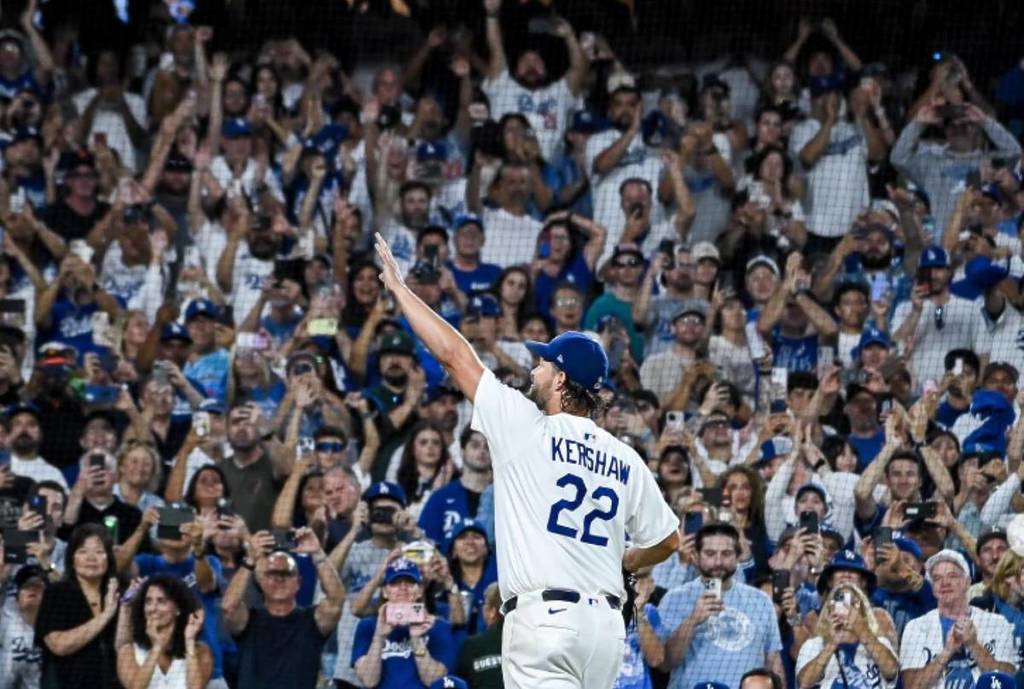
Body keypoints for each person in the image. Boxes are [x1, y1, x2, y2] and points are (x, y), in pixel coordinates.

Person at [374, 233, 680, 689]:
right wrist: (625, 562)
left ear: (560, 378)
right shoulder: (625, 457)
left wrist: (402, 292)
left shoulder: (526, 425)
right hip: (605, 633)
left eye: (542, 364)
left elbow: (456, 356)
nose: (532, 369)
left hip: (545, 623)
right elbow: (670, 540)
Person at [657, 523, 784, 689]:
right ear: (695, 556)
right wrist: (693, 619)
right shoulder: (675, 599)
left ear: (738, 556)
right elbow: (665, 663)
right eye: (710, 554)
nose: (718, 561)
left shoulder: (760, 601)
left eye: (726, 554)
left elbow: (773, 663)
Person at [220, 527, 345, 689]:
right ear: (261, 580)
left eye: (287, 573)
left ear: (299, 582)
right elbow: (228, 607)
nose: (279, 579)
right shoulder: (248, 619)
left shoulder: (312, 620)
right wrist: (249, 560)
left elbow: (337, 601)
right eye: (272, 573)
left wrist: (319, 554)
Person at [900, 549, 1016, 689]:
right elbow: (911, 686)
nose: (944, 583)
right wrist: (948, 650)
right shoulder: (916, 628)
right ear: (932, 588)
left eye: (952, 576)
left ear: (967, 582)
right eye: (937, 578)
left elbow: (1007, 681)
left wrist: (973, 645)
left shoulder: (996, 624)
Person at [34, 524, 122, 689]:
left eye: (99, 552)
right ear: (72, 559)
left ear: (109, 558)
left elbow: (126, 646)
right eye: (82, 551)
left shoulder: (118, 592)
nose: (91, 558)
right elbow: (59, 645)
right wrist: (106, 615)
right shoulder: (57, 593)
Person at [352, 558, 457, 688]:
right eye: (395, 583)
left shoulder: (438, 626)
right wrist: (379, 637)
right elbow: (369, 681)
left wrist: (416, 639)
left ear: (420, 590)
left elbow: (433, 681)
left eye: (410, 582)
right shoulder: (367, 626)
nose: (403, 587)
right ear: (384, 591)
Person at [116, 574, 213, 689]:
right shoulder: (128, 652)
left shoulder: (201, 651)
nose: (153, 608)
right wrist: (156, 647)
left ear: (178, 608)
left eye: (161, 601)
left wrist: (189, 640)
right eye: (148, 601)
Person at [0, 564, 46, 689]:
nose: (32, 590)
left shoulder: (54, 627)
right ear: (17, 597)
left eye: (37, 586)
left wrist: (47, 563)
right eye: (26, 586)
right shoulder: (6, 619)